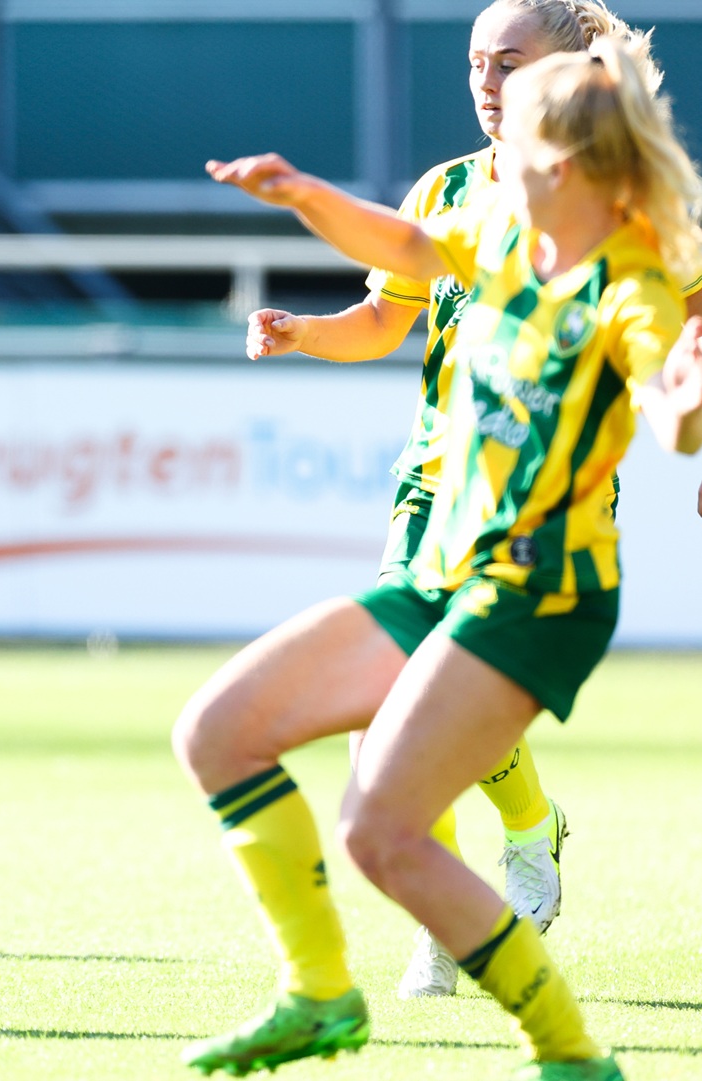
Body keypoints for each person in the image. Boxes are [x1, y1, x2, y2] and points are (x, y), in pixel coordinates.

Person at [183, 34, 702, 1081]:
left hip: (534, 593)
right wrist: (298, 194)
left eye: (508, 134)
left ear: (554, 166)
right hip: (438, 571)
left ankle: (567, 1054)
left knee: (378, 826)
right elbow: (403, 248)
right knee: (219, 733)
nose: (486, 147)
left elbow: (668, 412)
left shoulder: (633, 283)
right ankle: (319, 995)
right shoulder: (503, 234)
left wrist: (686, 399)